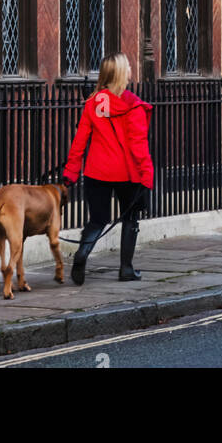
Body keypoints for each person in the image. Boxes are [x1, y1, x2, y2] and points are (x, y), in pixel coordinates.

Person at [62, 53, 153, 284]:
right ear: (121, 73)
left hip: (97, 171)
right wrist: (147, 174)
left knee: (98, 219)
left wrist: (71, 172)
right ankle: (126, 269)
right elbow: (138, 145)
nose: (131, 68)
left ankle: (82, 254)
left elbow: (80, 141)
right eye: (129, 65)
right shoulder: (133, 105)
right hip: (127, 173)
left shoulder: (93, 103)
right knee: (130, 218)